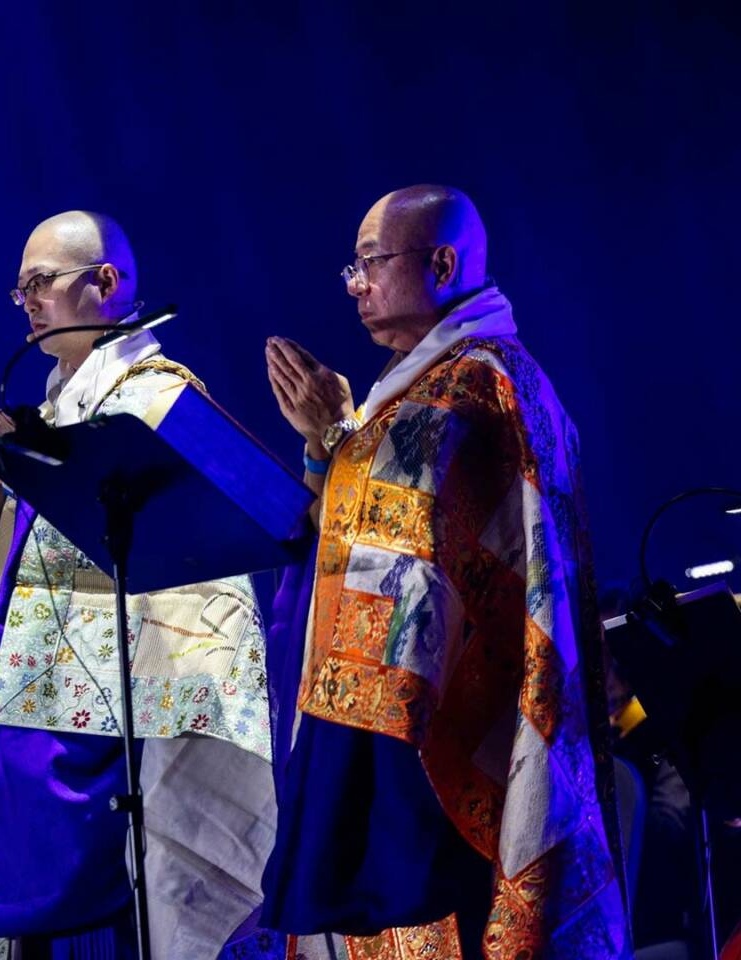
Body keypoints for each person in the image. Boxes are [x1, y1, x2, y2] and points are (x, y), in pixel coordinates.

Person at [260, 186, 630, 957]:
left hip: (453, 730)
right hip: (388, 732)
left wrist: (340, 432)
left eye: (370, 262)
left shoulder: (481, 383)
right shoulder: (411, 394)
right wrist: (325, 442)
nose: (356, 284)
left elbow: (426, 530)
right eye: (351, 268)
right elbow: (359, 530)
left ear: (442, 262)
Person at [0, 211, 282, 959]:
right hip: (37, 730)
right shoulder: (54, 414)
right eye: (19, 287)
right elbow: (20, 593)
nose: (26, 300)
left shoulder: (156, 402)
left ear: (108, 282)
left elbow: (207, 586)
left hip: (124, 740)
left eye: (42, 282)